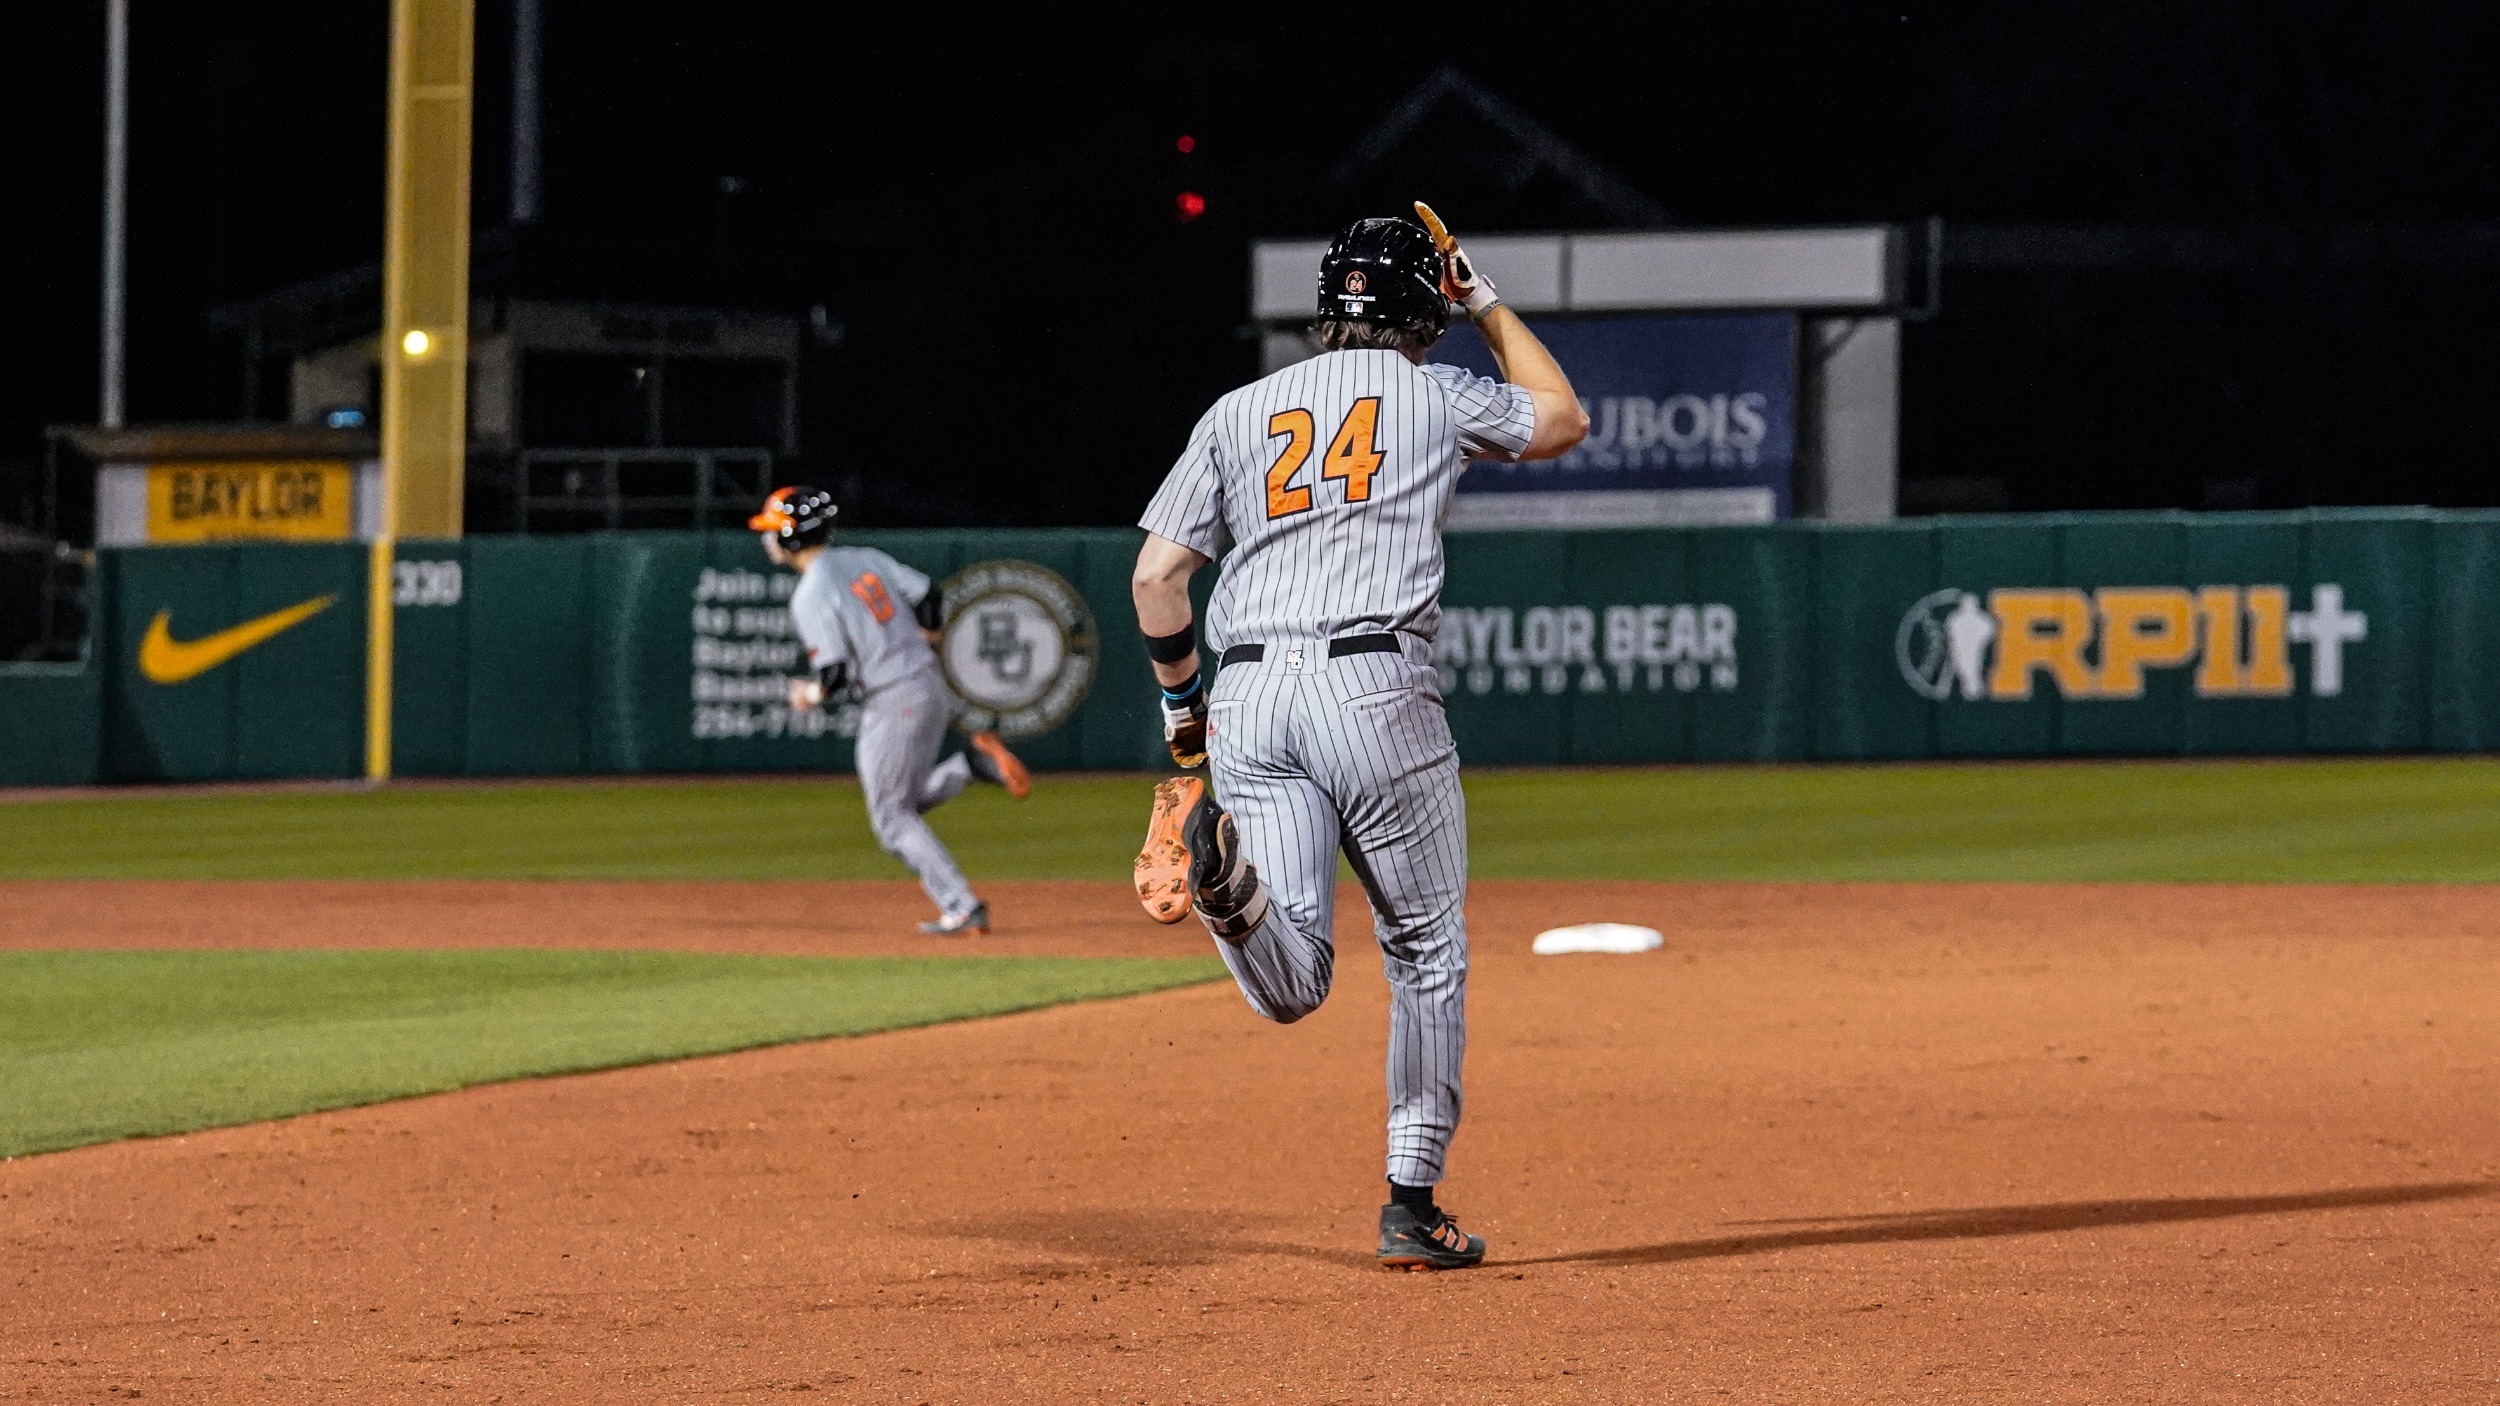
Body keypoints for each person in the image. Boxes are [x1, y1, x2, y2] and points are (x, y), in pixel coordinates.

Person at [1128, 210, 1588, 1269]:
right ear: (1422, 308)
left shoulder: (1238, 410)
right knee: (1424, 951)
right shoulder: (1433, 391)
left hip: (1245, 692)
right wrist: (1482, 297)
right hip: (1377, 683)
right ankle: (1409, 1202)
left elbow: (1156, 577)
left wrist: (1182, 710)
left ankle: (1232, 899)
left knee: (1292, 982)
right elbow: (1563, 418)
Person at [753, 486, 1032, 934]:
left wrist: (808, 696)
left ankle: (961, 905)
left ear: (790, 536)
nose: (765, 540)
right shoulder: (863, 557)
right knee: (903, 805)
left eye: (771, 531)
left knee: (890, 818)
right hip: (927, 685)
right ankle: (971, 765)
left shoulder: (810, 594)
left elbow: (835, 675)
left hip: (892, 698)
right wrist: (931, 636)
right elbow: (929, 595)